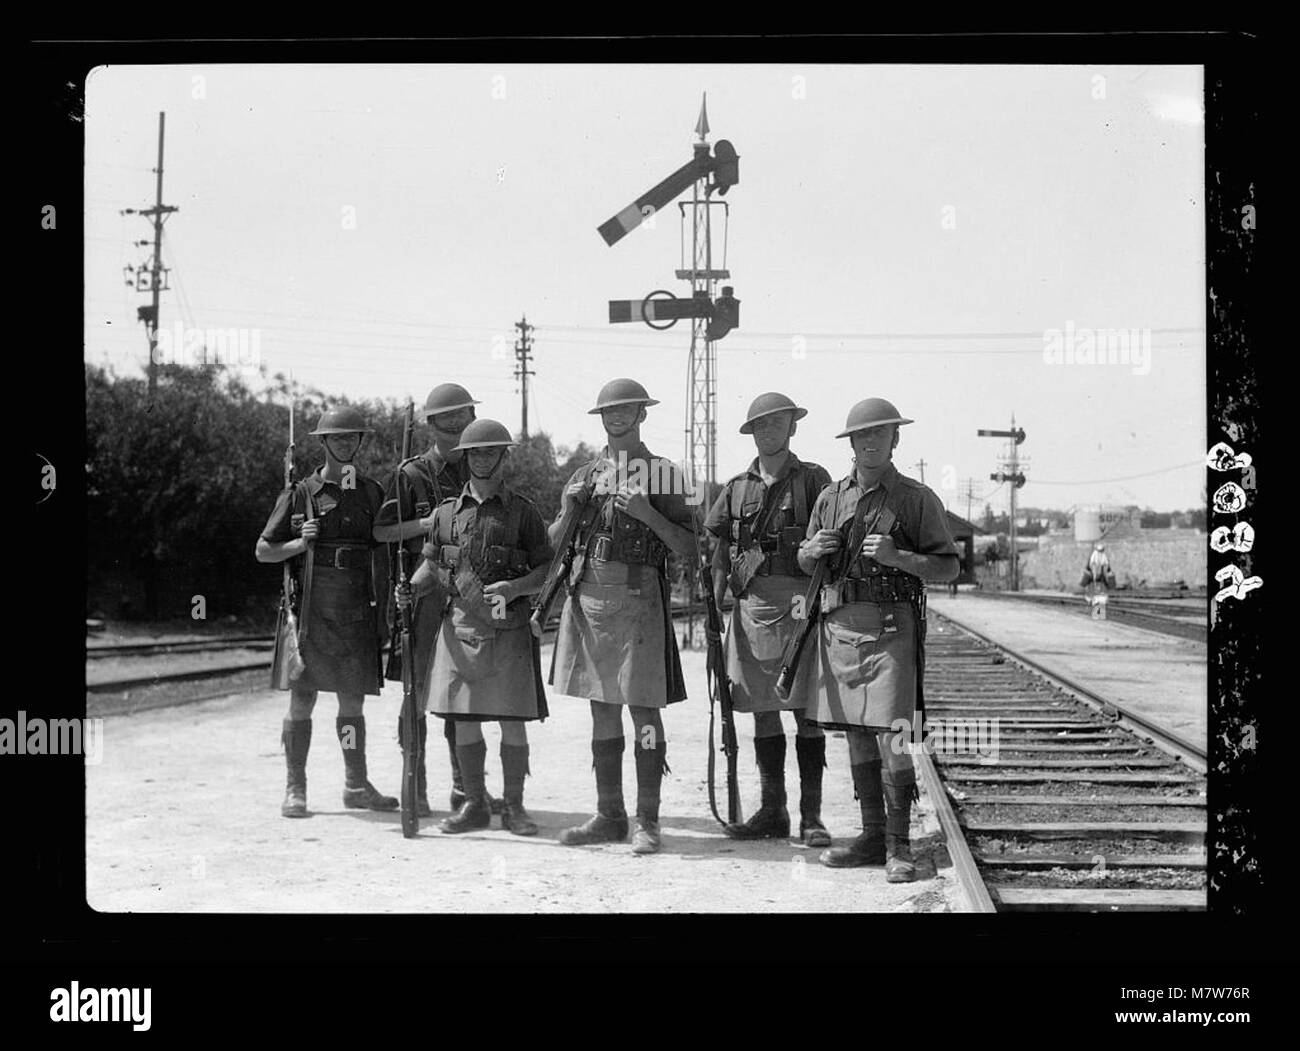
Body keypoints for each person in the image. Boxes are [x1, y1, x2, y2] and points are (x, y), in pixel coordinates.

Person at [797, 398, 959, 881]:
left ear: (895, 440)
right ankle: (870, 837)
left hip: (891, 627)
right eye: (861, 436)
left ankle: (898, 846)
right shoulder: (830, 497)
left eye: (879, 435)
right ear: (851, 443)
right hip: (841, 627)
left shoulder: (916, 498)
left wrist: (899, 557)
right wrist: (811, 551)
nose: (870, 443)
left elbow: (949, 566)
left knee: (892, 734)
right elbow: (806, 560)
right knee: (855, 734)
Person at [550, 378, 697, 854]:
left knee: (645, 709)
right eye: (610, 411)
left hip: (639, 599)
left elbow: (691, 547)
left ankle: (647, 821)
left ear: (642, 414)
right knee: (602, 707)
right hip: (590, 597)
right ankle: (609, 815)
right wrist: (569, 509)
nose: (618, 417)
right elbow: (554, 543)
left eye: (627, 409)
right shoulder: (586, 475)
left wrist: (648, 513)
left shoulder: (666, 475)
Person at [401, 419, 553, 835]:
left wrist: (516, 585)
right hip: (460, 627)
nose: (483, 459)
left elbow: (547, 569)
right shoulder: (446, 514)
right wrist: (409, 590)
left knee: (511, 719)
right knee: (464, 720)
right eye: (475, 453)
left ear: (504, 457)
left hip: (507, 628)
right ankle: (474, 804)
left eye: (491, 452)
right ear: (465, 457)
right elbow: (432, 564)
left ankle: (515, 808)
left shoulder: (524, 513)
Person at [703, 392, 834, 846]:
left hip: (803, 608)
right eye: (761, 425)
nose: (769, 430)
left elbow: (835, 543)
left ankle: (812, 818)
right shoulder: (736, 487)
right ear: (752, 433)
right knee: (761, 713)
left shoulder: (816, 480)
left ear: (792, 427)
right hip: (753, 610)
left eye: (777, 423)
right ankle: (773, 811)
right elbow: (720, 552)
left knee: (807, 714)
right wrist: (713, 609)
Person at [256, 406, 398, 818]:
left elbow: (383, 553)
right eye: (338, 438)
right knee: (303, 699)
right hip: (313, 606)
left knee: (352, 702)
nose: (346, 443)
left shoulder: (371, 493)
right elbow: (264, 550)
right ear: (323, 443)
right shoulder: (300, 493)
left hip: (356, 607)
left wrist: (384, 612)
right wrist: (300, 543)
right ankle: (295, 788)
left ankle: (356, 785)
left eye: (352, 437)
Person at [373, 383, 501, 816]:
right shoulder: (410, 475)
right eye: (446, 421)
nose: (454, 427)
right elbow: (383, 531)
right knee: (417, 692)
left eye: (462, 418)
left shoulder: (479, 468)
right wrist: (426, 523)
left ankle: (467, 790)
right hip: (423, 589)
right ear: (431, 425)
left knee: (462, 693)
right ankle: (417, 785)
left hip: (468, 593)